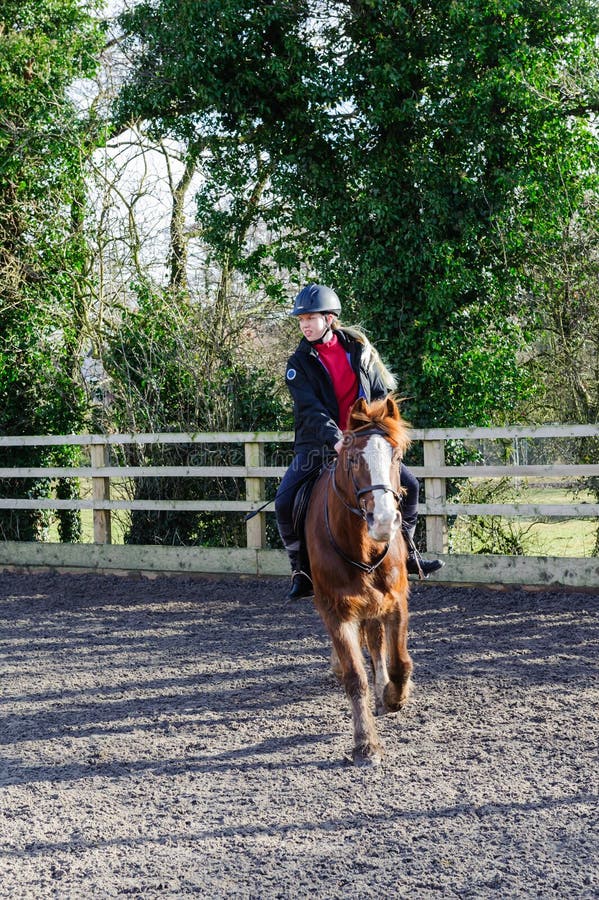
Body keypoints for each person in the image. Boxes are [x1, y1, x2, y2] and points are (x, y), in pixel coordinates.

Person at [275, 283, 444, 601]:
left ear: (329, 318)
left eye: (310, 318)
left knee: (411, 487)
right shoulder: (298, 364)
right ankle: (300, 569)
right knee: (284, 501)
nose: (305, 325)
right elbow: (311, 411)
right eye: (301, 320)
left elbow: (380, 396)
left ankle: (407, 554)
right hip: (319, 445)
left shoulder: (359, 351)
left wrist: (379, 435)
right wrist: (335, 440)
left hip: (365, 443)